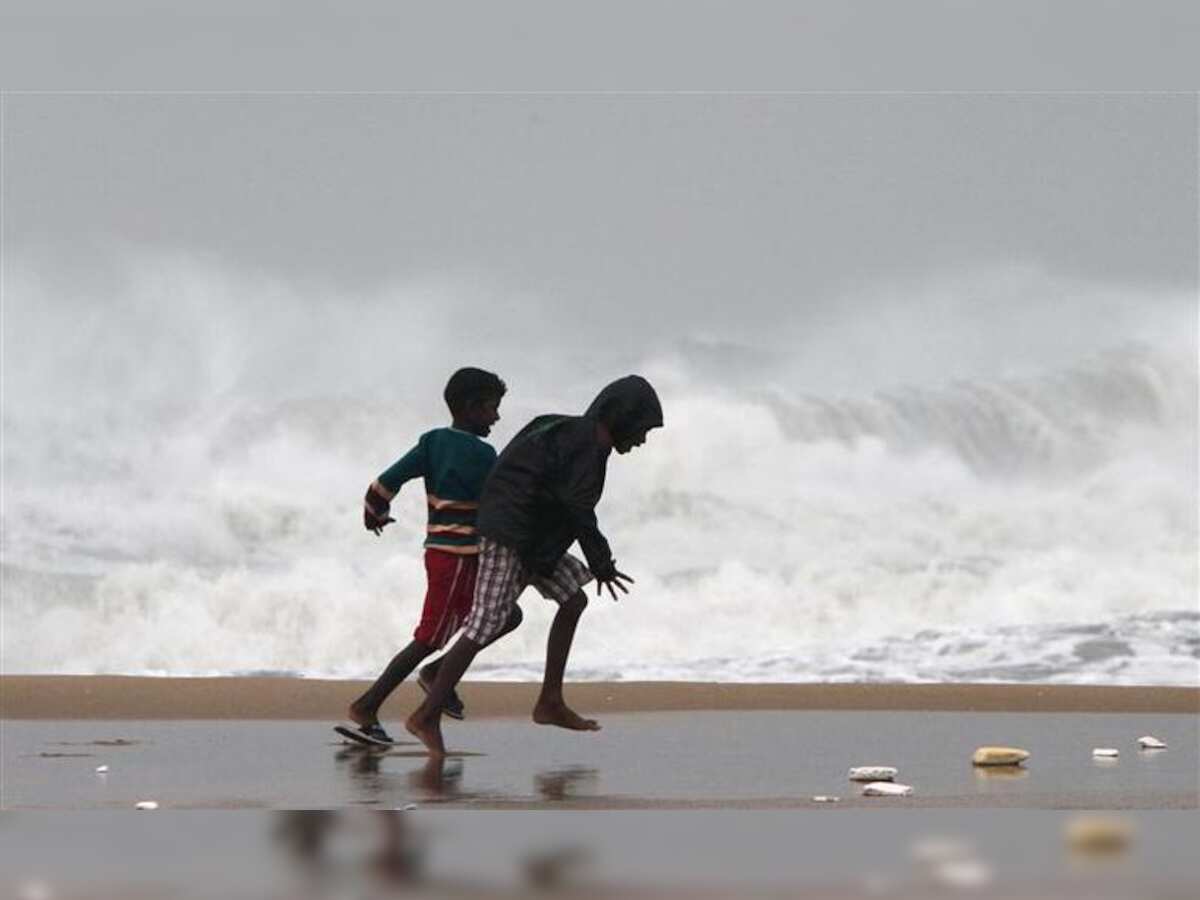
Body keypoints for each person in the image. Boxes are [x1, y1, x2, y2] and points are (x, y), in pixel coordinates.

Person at [406, 375, 664, 756]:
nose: (641, 440)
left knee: (573, 600)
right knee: (486, 621)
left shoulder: (566, 429)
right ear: (621, 416)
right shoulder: (585, 445)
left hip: (529, 537)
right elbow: (578, 509)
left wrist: (542, 557)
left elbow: (547, 492)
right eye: (641, 430)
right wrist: (602, 563)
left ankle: (550, 701)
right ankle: (426, 715)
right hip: (507, 533)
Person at [344, 367, 520, 744]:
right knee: (430, 637)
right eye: (492, 408)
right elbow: (503, 503)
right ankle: (368, 704)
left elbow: (385, 481)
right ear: (472, 408)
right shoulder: (484, 454)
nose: (497, 417)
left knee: (506, 613)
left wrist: (374, 513)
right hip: (457, 559)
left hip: (445, 556)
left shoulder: (431, 442)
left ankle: (437, 675)